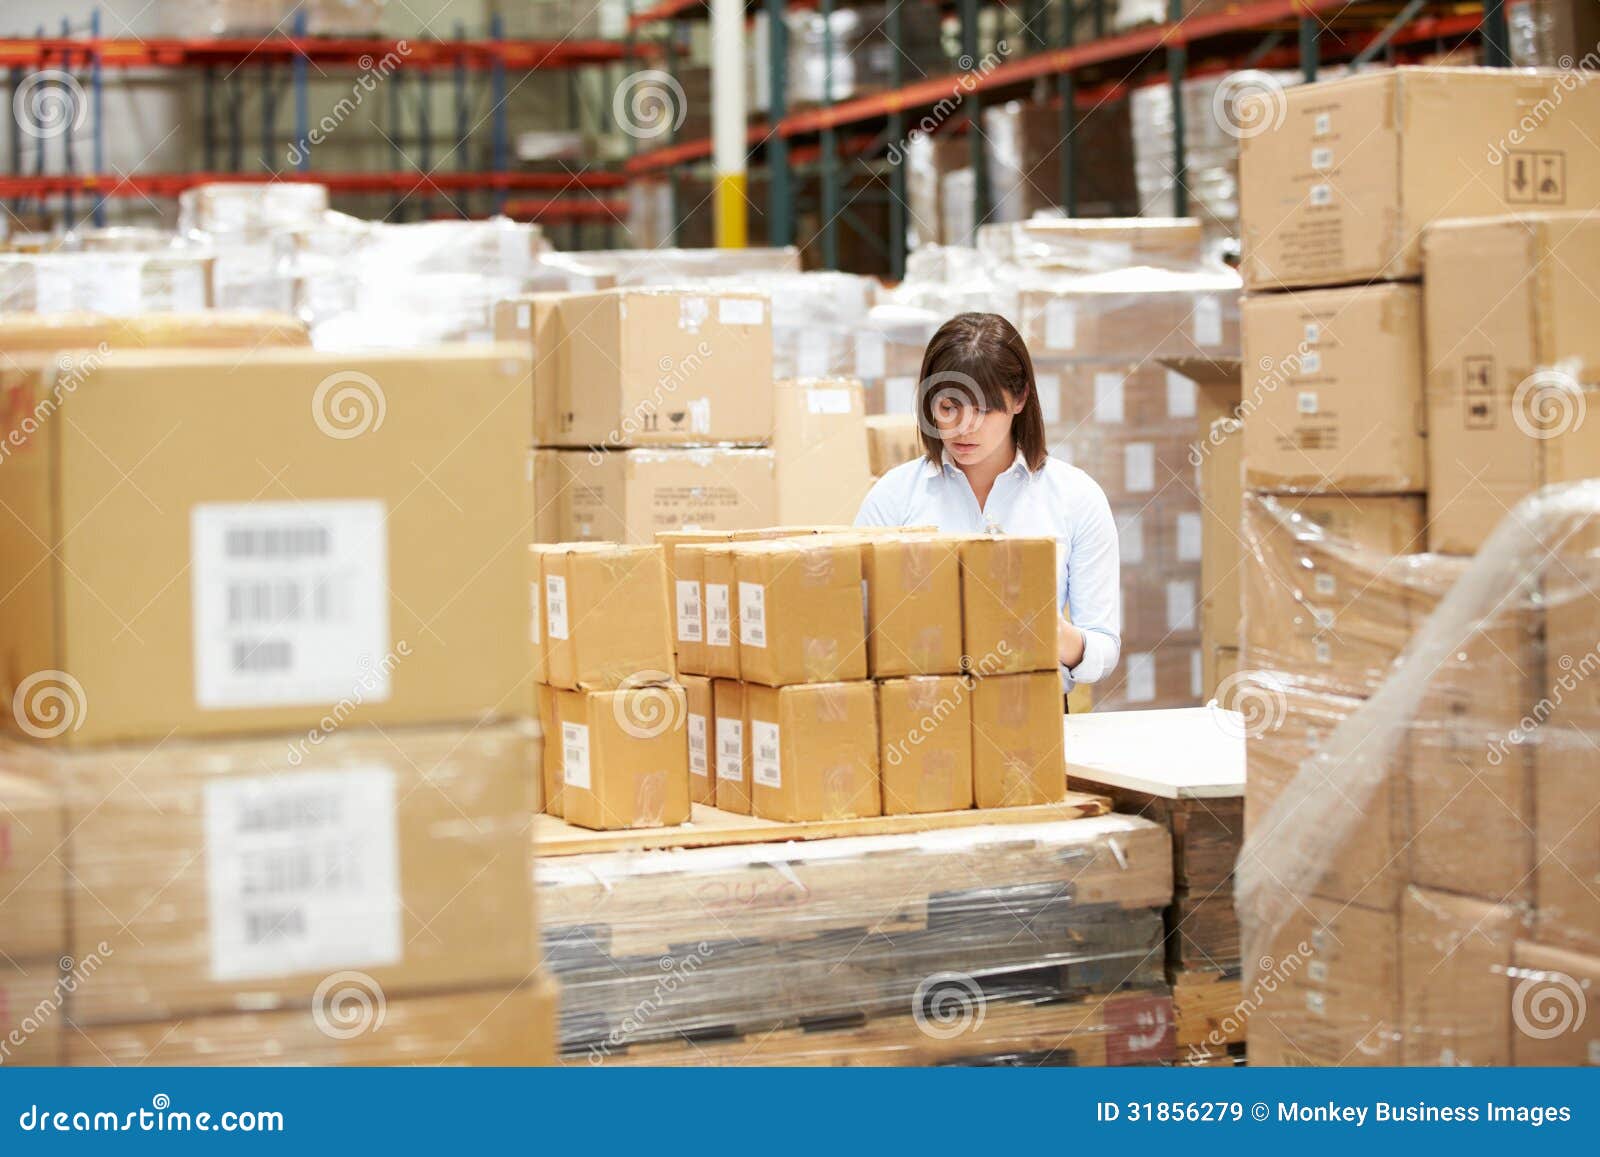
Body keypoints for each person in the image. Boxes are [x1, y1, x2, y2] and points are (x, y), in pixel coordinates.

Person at [855, 311, 1121, 697]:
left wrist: (1053, 634)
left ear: (1020, 398)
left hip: (1030, 718)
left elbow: (1103, 650)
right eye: (948, 408)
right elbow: (857, 627)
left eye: (982, 410)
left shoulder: (1077, 498)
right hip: (918, 717)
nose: (964, 427)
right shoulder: (893, 497)